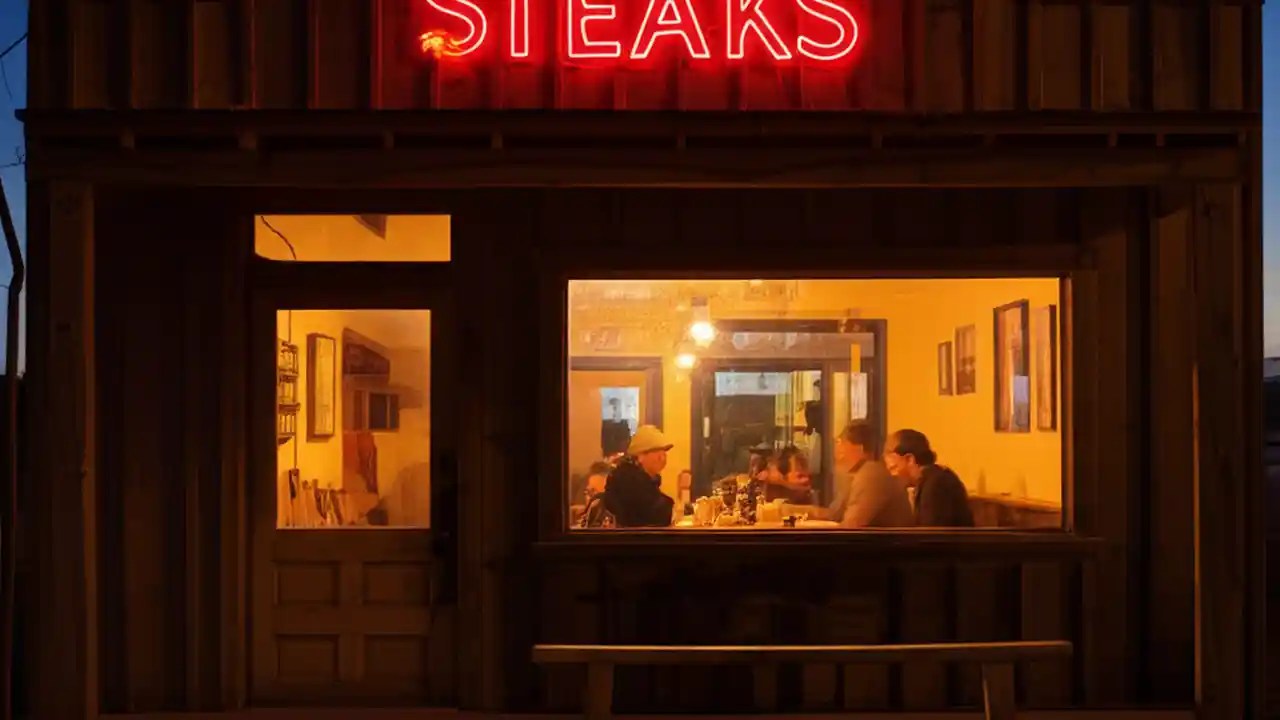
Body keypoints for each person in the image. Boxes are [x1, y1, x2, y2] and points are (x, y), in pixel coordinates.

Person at [801, 421, 912, 528]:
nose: (837, 450)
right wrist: (788, 510)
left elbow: (851, 526)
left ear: (859, 448)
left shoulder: (872, 475)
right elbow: (834, 514)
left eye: (841, 443)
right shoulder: (862, 473)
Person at [884, 429, 975, 527]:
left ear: (910, 459)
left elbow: (931, 537)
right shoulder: (933, 479)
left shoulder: (935, 485)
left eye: (894, 467)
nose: (892, 475)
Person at [601, 425, 677, 527]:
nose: (662, 457)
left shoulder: (645, 479)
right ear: (640, 456)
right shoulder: (628, 480)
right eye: (657, 452)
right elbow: (655, 516)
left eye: (664, 452)